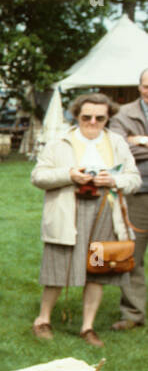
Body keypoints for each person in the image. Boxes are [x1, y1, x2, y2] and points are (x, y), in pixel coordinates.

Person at [31, 92, 142, 347]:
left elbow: (134, 179)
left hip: (105, 211)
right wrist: (69, 175)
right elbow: (38, 176)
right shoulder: (60, 141)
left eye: (99, 118)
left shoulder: (116, 142)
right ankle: (43, 319)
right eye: (86, 117)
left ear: (108, 118)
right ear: (76, 115)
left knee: (97, 269)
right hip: (67, 209)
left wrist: (114, 180)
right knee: (58, 267)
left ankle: (87, 326)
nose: (92, 122)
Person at [107, 67, 148, 331]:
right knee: (132, 254)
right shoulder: (123, 113)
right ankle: (133, 314)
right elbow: (121, 149)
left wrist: (143, 141)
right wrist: (134, 143)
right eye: (146, 86)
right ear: (139, 87)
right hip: (139, 192)